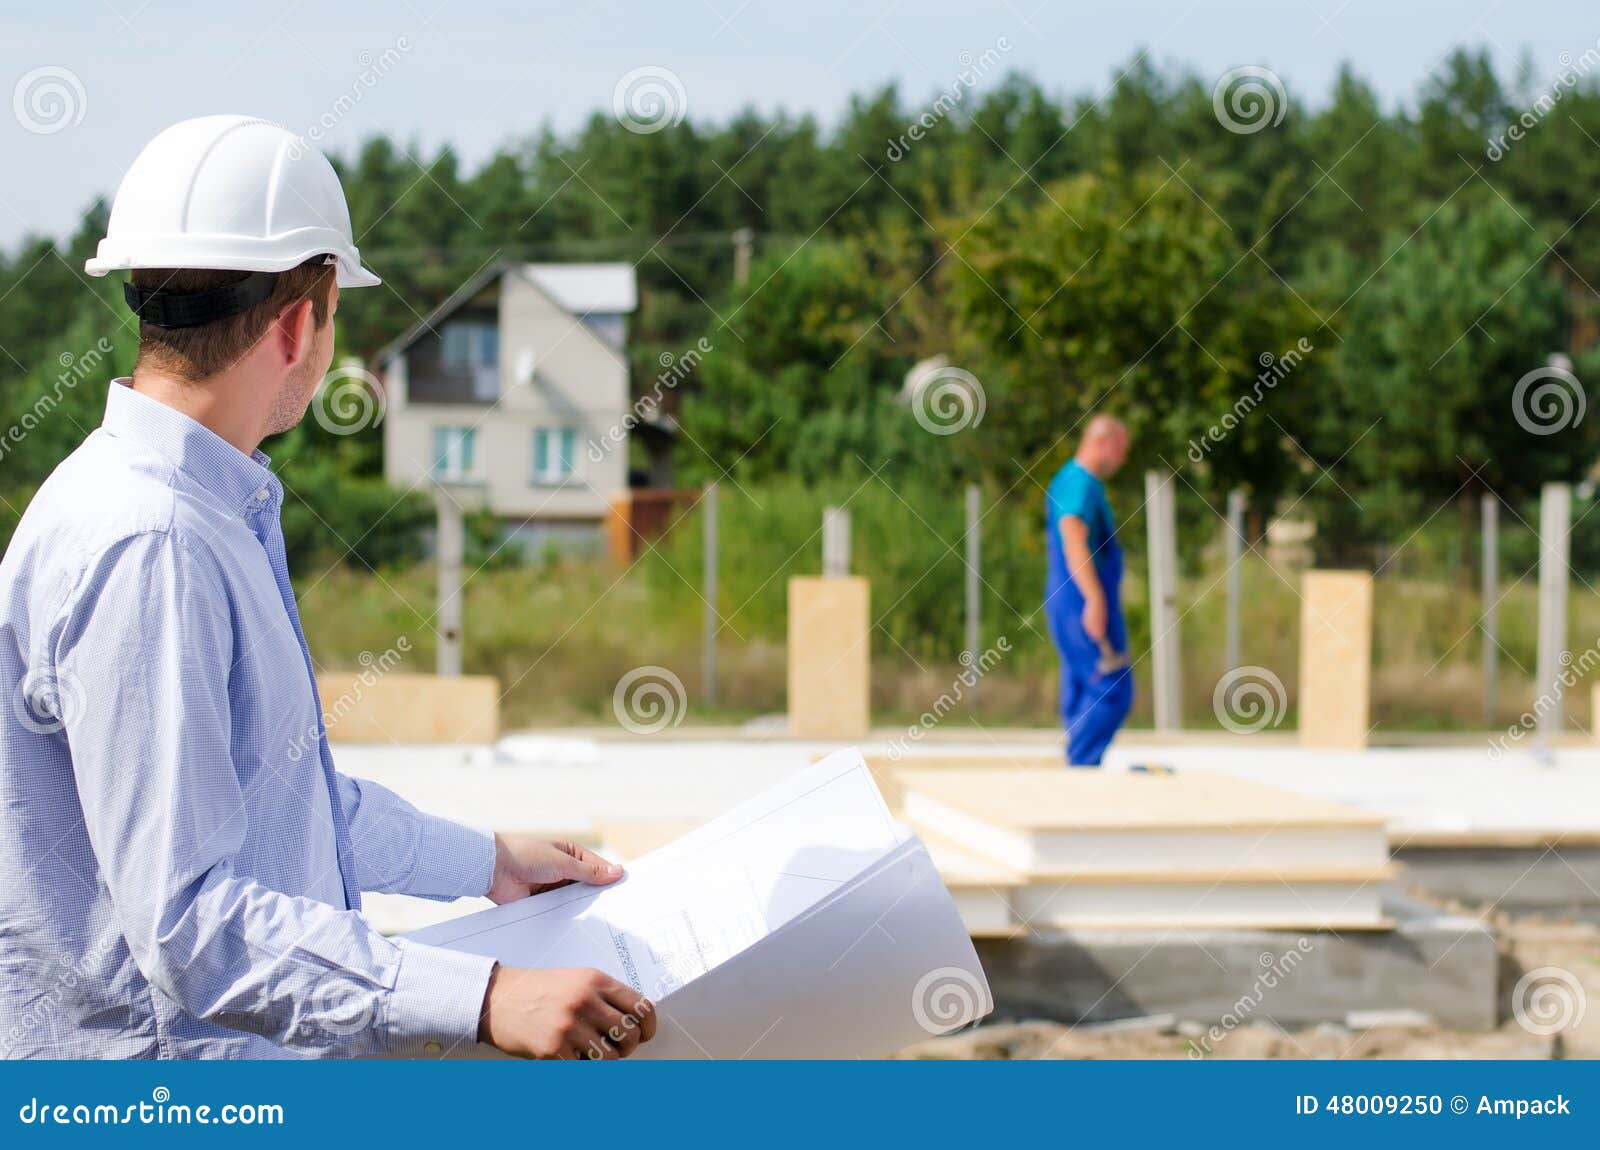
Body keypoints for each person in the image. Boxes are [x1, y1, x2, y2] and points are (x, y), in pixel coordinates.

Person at [0, 116, 655, 1061]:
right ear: (301, 320)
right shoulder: (155, 543)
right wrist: (482, 997)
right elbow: (187, 923)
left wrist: (485, 862)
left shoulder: (192, 511)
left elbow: (277, 802)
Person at [1044, 415, 1133, 767]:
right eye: (1121, 450)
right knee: (1111, 689)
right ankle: (1079, 767)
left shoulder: (1076, 481)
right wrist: (1094, 598)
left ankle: (1077, 775)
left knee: (1082, 688)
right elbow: (1072, 534)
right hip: (1079, 599)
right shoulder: (1078, 481)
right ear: (1105, 442)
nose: (1122, 459)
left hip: (1072, 599)